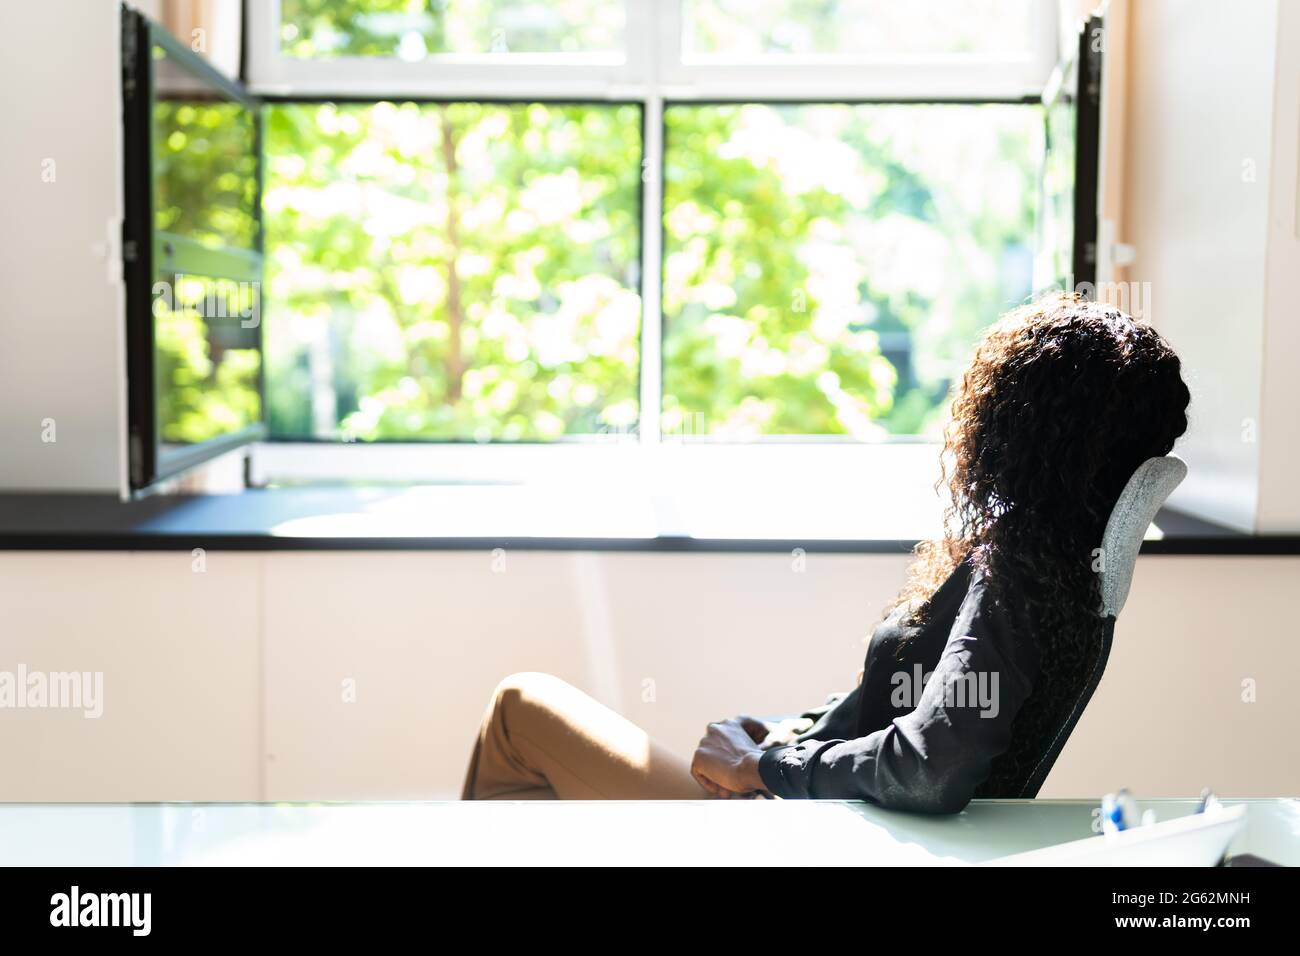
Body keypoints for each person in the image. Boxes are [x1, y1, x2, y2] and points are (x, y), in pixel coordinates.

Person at [461, 293, 1191, 810]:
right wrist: (785, 733)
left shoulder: (1018, 577)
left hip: (812, 840)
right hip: (819, 816)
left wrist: (769, 767)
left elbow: (934, 765)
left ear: (1022, 425)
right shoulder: (1055, 571)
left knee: (518, 710)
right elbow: (906, 713)